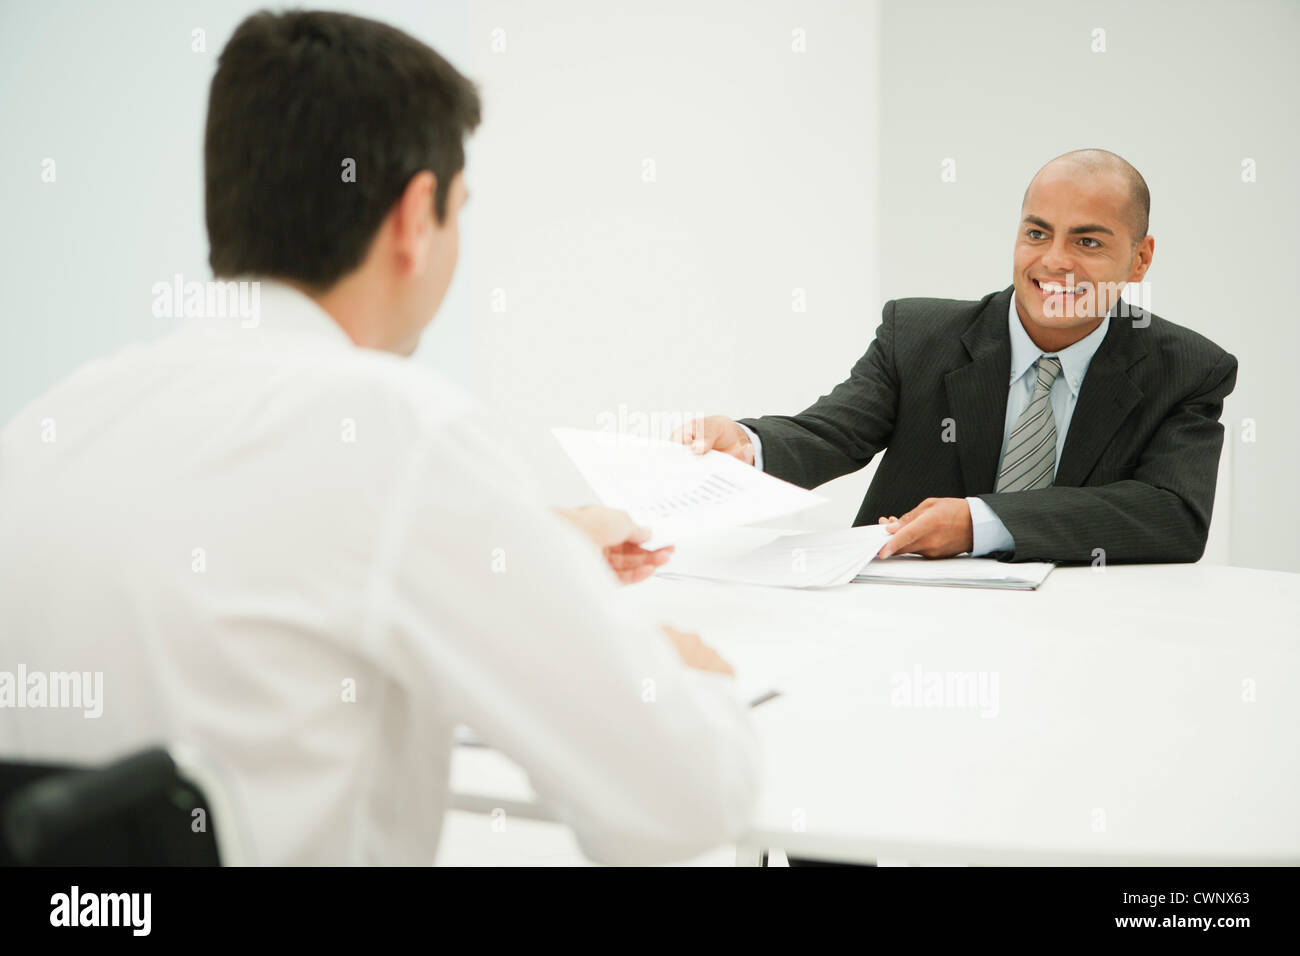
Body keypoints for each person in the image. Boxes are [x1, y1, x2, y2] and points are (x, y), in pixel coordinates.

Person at [0, 10, 758, 866]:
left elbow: (257, 563)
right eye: (461, 208)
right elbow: (681, 803)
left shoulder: (44, 432)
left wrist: (527, 542)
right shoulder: (398, 434)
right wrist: (692, 678)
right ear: (416, 215)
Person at [679, 150, 1237, 565]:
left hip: (1078, 633)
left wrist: (982, 523)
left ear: (1140, 259)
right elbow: (831, 436)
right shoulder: (918, 335)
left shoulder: (1186, 369)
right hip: (903, 618)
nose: (1055, 261)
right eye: (1037, 233)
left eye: (1088, 243)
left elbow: (1173, 515)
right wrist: (747, 446)